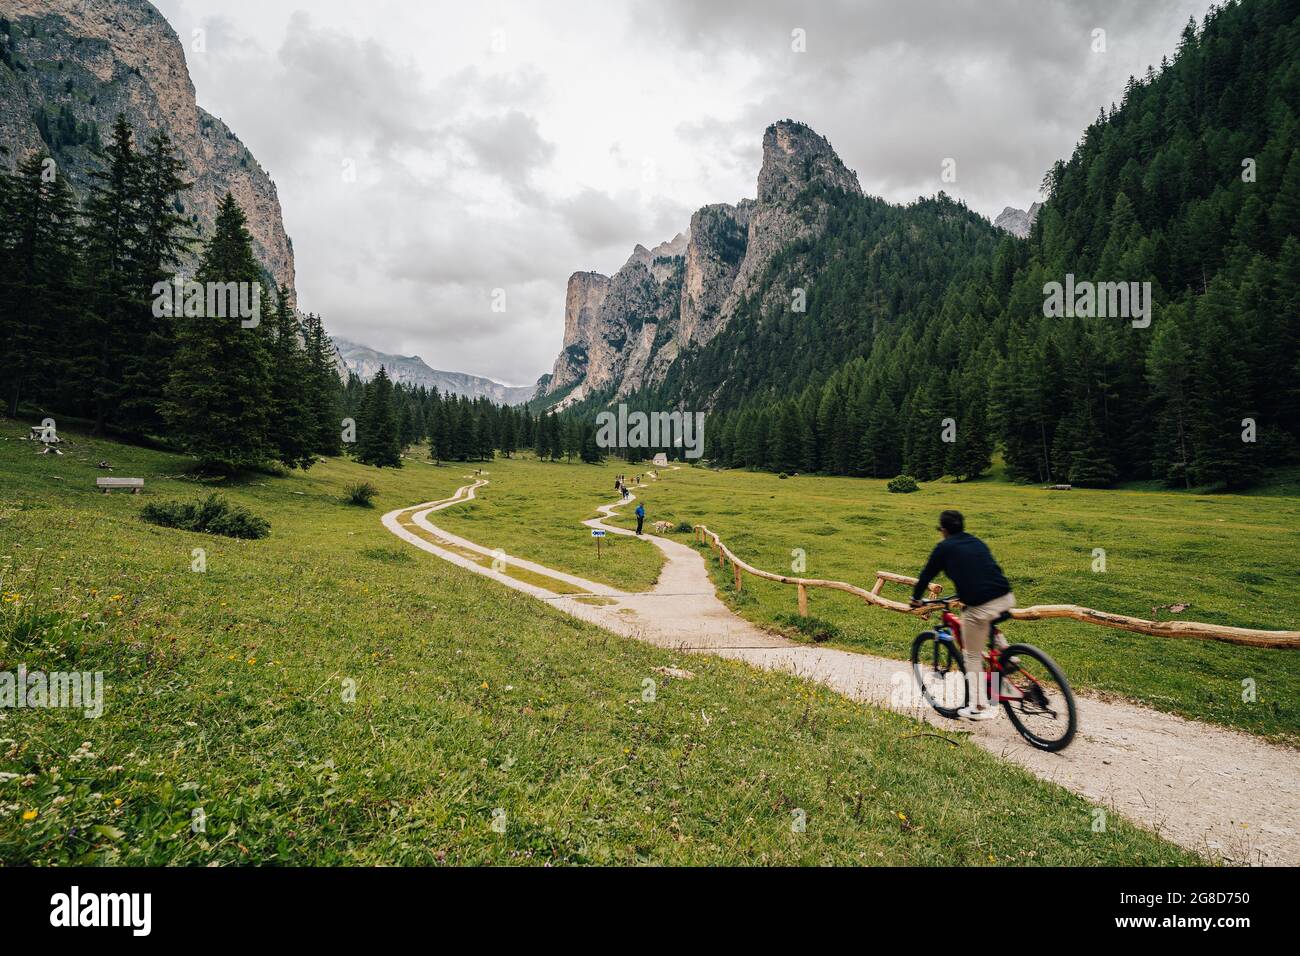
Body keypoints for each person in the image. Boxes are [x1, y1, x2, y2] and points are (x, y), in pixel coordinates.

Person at [909, 510, 1015, 721]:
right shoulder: (975, 541)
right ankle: (1008, 655)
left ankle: (977, 707)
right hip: (1006, 596)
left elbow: (926, 575)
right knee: (986, 621)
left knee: (972, 655)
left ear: (944, 530)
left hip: (981, 605)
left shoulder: (943, 548)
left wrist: (915, 599)